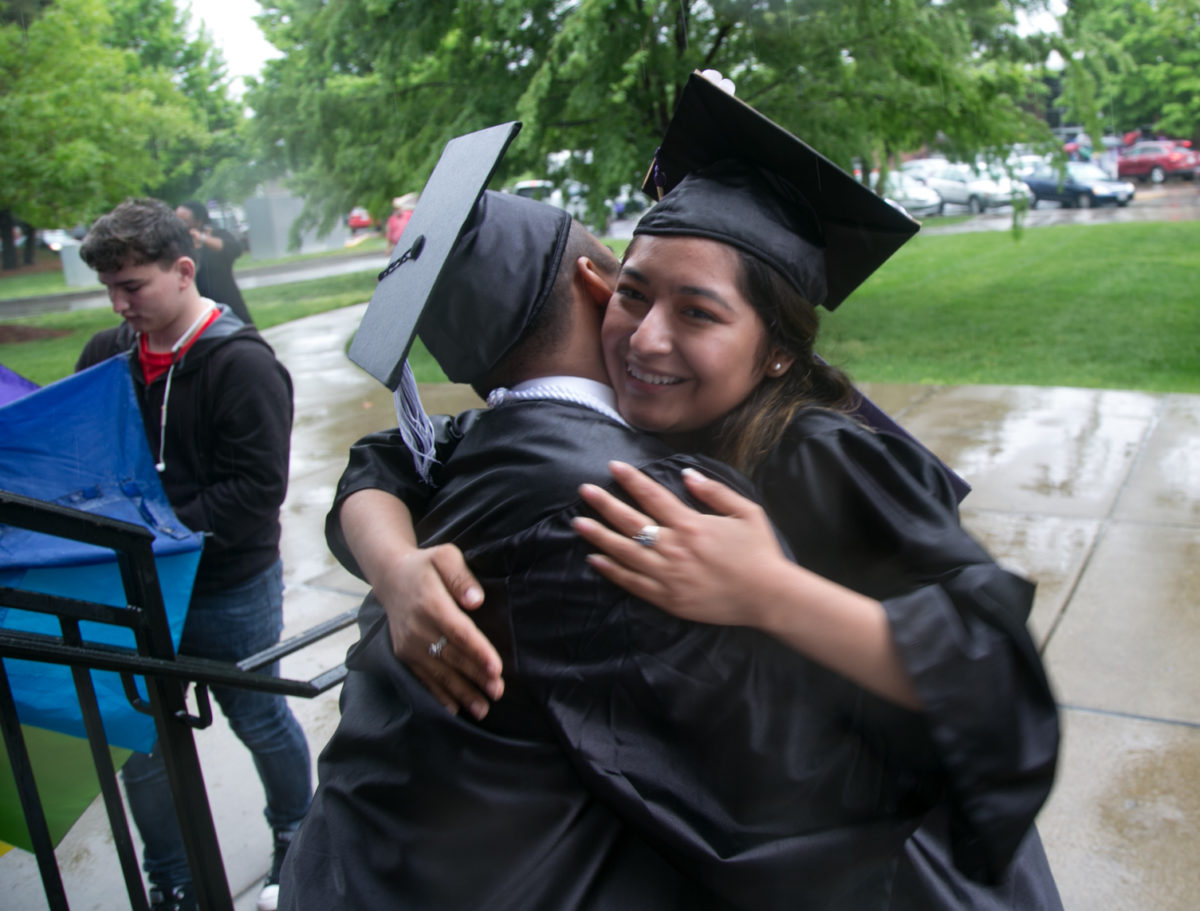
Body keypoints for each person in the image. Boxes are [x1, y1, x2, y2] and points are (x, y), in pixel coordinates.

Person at [288, 97, 1059, 907]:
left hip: (914, 851)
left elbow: (992, 679)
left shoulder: (825, 453)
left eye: (698, 311)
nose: (646, 338)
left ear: (775, 355)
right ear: (600, 288)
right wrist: (398, 566)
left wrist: (771, 589)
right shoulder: (634, 419)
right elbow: (392, 458)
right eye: (635, 295)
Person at [76, 198, 310, 911]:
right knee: (141, 745)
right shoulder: (105, 354)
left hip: (227, 588)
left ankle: (298, 841)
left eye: (133, 286)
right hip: (135, 590)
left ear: (184, 270)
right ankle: (172, 877)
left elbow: (254, 493)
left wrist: (149, 530)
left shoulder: (243, 365)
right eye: (110, 289)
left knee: (259, 716)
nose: (120, 304)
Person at [174, 200, 254, 326]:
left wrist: (202, 238)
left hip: (227, 301)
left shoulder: (217, 234)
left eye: (184, 221)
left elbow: (234, 249)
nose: (180, 225)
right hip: (199, 309)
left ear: (198, 221)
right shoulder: (179, 243)